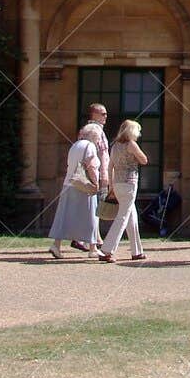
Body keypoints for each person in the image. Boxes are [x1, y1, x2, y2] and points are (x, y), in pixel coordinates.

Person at [49, 122, 105, 259]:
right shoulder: (90, 146)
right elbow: (91, 166)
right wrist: (95, 183)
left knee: (64, 216)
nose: (99, 141)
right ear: (94, 136)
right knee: (91, 216)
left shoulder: (75, 145)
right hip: (84, 185)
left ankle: (56, 245)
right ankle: (93, 248)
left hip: (69, 184)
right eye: (98, 138)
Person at [100, 119, 150, 262]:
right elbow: (144, 160)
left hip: (117, 183)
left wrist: (111, 186)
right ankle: (107, 250)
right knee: (122, 217)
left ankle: (137, 251)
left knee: (131, 217)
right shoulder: (131, 144)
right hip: (129, 183)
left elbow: (110, 167)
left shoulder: (115, 145)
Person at [71, 103, 111, 250]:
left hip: (88, 173)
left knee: (90, 207)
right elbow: (101, 153)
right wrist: (104, 176)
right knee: (95, 207)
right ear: (94, 114)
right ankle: (92, 240)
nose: (106, 116)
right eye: (103, 113)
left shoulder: (85, 130)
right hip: (95, 174)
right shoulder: (95, 131)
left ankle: (91, 238)